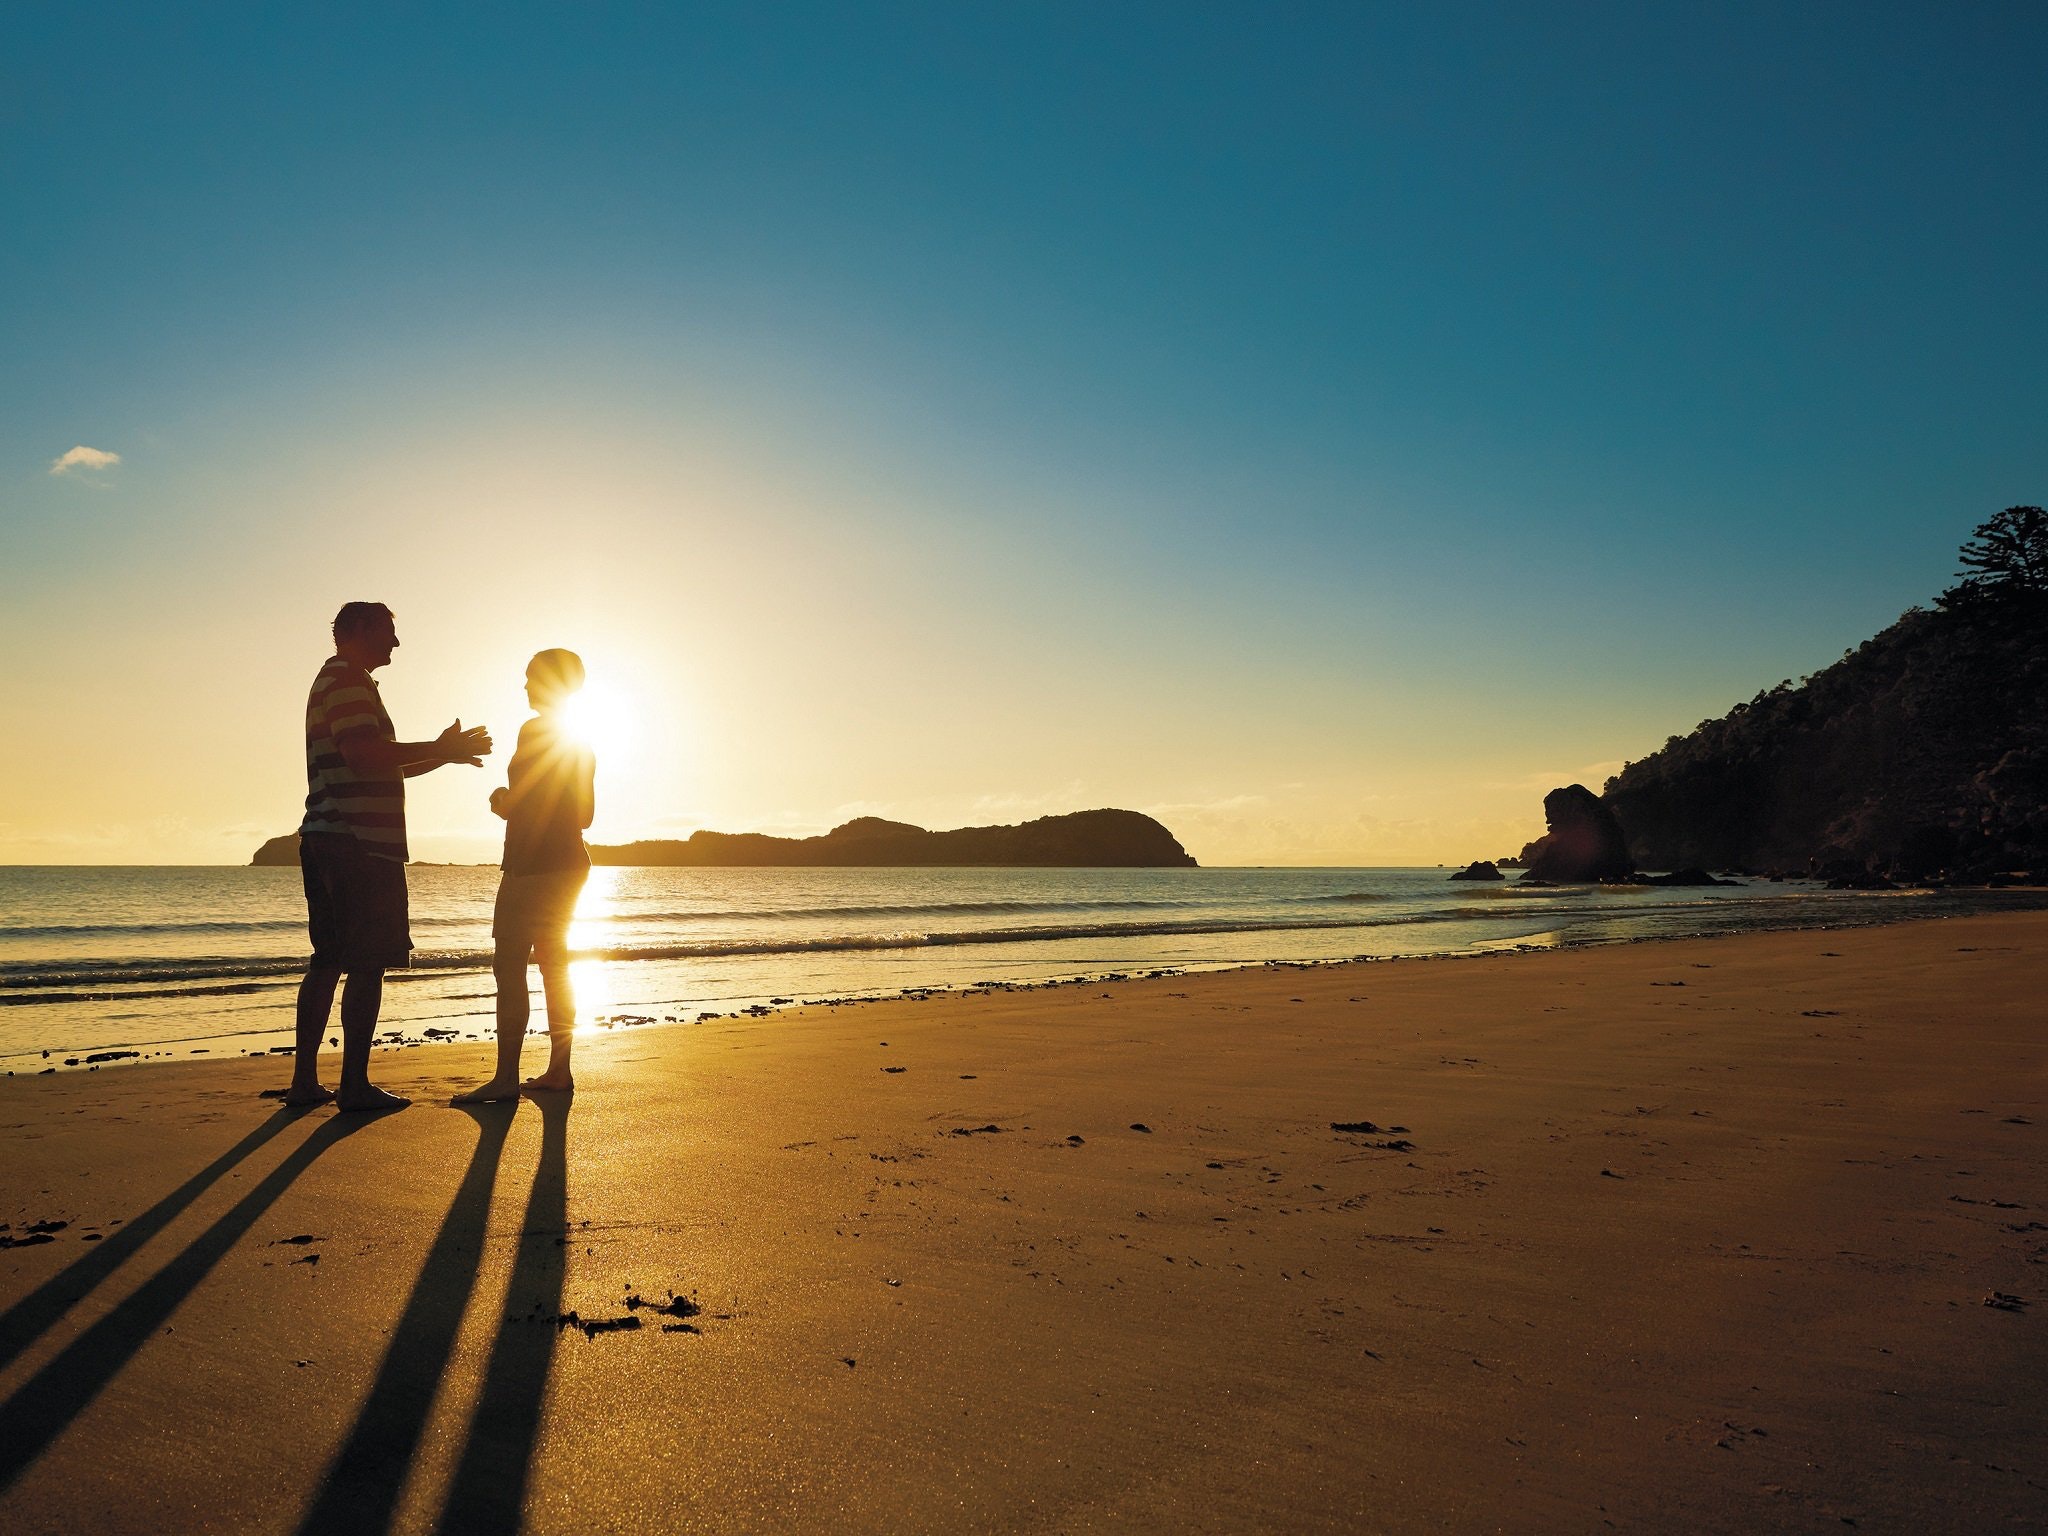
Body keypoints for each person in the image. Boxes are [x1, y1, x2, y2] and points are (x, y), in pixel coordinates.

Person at [285, 603, 491, 1111]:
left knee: (328, 960)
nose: (396, 643)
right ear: (356, 631)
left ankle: (305, 1082)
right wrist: (436, 746)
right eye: (388, 632)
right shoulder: (348, 679)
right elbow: (363, 754)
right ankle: (353, 1085)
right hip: (359, 842)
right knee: (367, 963)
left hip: (327, 837)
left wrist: (440, 754)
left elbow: (375, 765)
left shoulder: (337, 679)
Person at [455, 649, 595, 1103]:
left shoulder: (535, 730)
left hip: (534, 865)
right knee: (555, 966)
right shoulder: (582, 740)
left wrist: (505, 800)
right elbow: (585, 815)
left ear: (549, 683)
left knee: (509, 966)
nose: (525, 687)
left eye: (531, 679)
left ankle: (506, 1078)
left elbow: (528, 801)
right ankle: (558, 1070)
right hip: (570, 862)